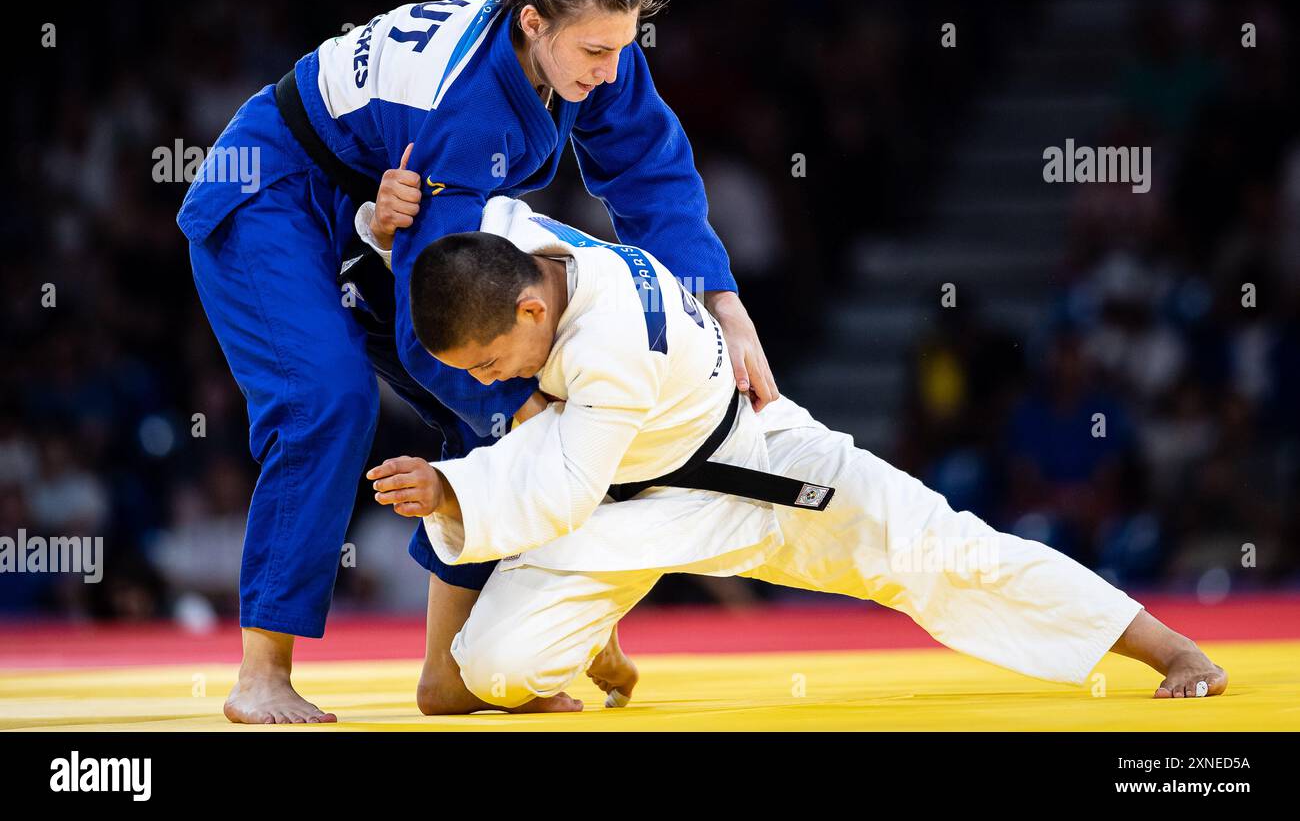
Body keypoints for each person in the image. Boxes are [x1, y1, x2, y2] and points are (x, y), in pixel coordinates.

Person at [176, 0, 776, 724]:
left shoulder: (593, 34)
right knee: (334, 398)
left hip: (378, 203)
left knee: (504, 406)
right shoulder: (468, 103)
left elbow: (650, 169)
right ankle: (261, 671)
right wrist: (525, 406)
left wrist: (724, 303)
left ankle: (449, 672)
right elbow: (439, 312)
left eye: (622, 49)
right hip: (270, 188)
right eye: (595, 54)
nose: (609, 71)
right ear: (533, 25)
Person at [366, 196, 1229, 713]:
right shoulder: (519, 236)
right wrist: (380, 223)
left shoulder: (608, 349)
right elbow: (460, 220)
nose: (488, 382)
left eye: (488, 364)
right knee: (494, 667)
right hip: (631, 502)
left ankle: (1169, 648)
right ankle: (591, 631)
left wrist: (448, 488)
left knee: (941, 551)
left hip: (757, 469)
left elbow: (554, 488)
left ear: (528, 313)